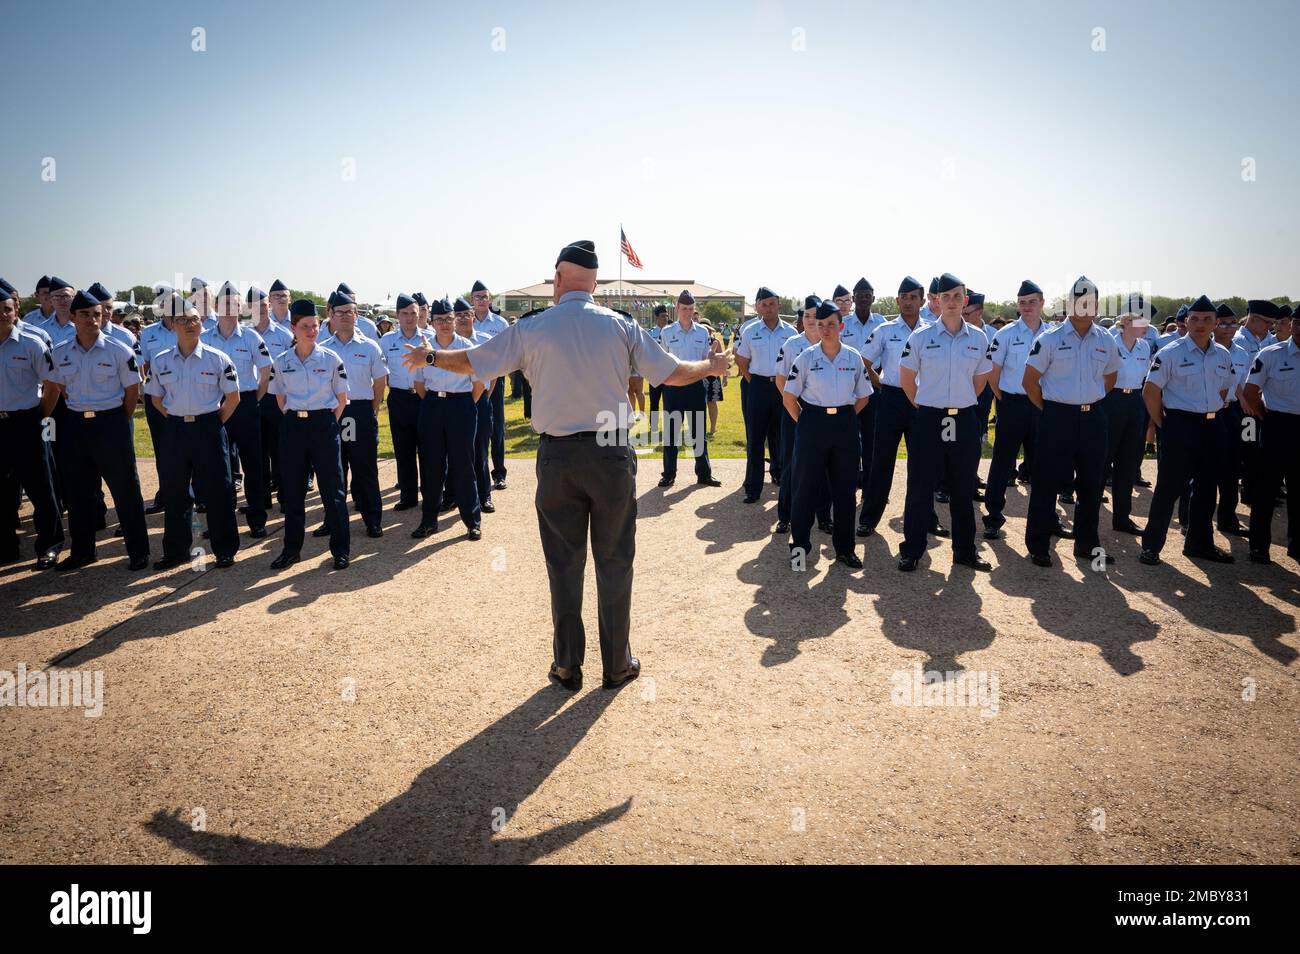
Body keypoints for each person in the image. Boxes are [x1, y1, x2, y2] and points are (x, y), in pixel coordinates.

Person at [400, 240, 731, 692]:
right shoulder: (621, 326)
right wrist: (709, 366)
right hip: (612, 454)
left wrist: (429, 357)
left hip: (557, 456)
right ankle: (616, 664)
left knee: (563, 564)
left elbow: (475, 363)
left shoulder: (534, 327)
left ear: (557, 279)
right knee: (614, 562)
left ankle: (567, 664)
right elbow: (671, 374)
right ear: (594, 283)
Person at [42, 290, 150, 571]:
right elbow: (60, 387)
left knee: (126, 491)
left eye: (97, 315)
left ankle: (138, 551)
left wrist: (116, 419)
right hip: (76, 425)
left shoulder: (119, 350)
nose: (92, 320)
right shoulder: (60, 352)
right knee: (78, 494)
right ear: (74, 318)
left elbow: (132, 392)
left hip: (111, 424)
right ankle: (83, 552)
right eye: (86, 315)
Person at [896, 273, 993, 572]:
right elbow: (907, 379)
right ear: (937, 300)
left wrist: (957, 403)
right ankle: (912, 549)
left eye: (957, 296)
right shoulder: (921, 337)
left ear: (965, 300)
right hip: (928, 418)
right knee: (920, 487)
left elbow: (980, 381)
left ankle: (964, 551)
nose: (951, 302)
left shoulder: (979, 338)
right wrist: (926, 404)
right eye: (946, 297)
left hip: (963, 419)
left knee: (963, 489)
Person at [1022, 276, 1121, 568]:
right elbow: (1029, 381)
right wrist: (1052, 409)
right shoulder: (1050, 338)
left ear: (1096, 306)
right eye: (1078, 301)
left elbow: (1111, 376)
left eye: (1090, 302)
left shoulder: (1106, 340)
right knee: (1046, 484)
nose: (1084, 307)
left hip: (1093, 419)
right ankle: (1039, 545)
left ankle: (1087, 544)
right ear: (1068, 304)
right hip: (1057, 418)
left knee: (1092, 484)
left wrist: (1088, 401)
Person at [1137, 296, 1235, 565]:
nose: (1200, 324)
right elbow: (1150, 391)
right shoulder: (1170, 352)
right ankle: (1151, 546)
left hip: (1213, 425)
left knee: (1206, 489)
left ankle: (1199, 544)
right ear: (1186, 321)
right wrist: (1163, 424)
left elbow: (1225, 388)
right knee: (1168, 488)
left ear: (1215, 323)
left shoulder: (1223, 355)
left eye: (1206, 319)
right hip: (1180, 426)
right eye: (1195, 318)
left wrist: (1209, 411)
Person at [146, 296, 242, 570]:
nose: (189, 324)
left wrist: (211, 423)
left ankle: (225, 550)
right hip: (175, 429)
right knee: (175, 493)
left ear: (202, 324)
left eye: (194, 320)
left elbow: (233, 398)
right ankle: (175, 551)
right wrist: (178, 419)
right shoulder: (162, 360)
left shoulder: (217, 358)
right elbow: (155, 399)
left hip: (208, 428)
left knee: (219, 492)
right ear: (173, 325)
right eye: (183, 320)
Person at [782, 300, 872, 569]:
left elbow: (864, 397)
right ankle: (799, 551)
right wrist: (806, 424)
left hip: (844, 424)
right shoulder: (806, 358)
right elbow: (789, 398)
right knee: (804, 490)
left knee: (845, 492)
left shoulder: (853, 357)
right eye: (820, 325)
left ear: (841, 326)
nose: (825, 329)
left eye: (831, 324)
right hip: (812, 423)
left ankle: (845, 550)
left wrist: (843, 420)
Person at [858, 276, 945, 539]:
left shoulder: (932, 330)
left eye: (913, 298)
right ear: (897, 300)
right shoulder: (885, 330)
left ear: (922, 300)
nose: (908, 302)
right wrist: (879, 384)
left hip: (922, 402)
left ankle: (927, 518)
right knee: (881, 462)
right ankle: (868, 519)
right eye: (903, 298)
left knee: (922, 464)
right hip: (891, 400)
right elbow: (863, 360)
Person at [267, 299, 351, 571]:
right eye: (305, 327)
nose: (312, 331)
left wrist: (324, 422)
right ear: (293, 328)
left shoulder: (330, 358)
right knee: (292, 493)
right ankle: (291, 551)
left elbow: (341, 398)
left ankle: (340, 550)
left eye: (315, 326)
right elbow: (280, 398)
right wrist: (298, 419)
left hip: (323, 426)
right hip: (293, 428)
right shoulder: (281, 361)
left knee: (333, 492)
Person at [0, 286, 64, 568]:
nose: (3, 315)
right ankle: (6, 547)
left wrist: (39, 415)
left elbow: (52, 385)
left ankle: (49, 545)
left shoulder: (32, 343)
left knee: (41, 487)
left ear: (16, 312)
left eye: (7, 309)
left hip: (27, 421)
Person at [201, 282, 272, 537]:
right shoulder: (204, 337)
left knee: (253, 465)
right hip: (215, 406)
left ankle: (257, 520)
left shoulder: (252, 337)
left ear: (241, 307)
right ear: (215, 307)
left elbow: (266, 373)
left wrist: (252, 400)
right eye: (225, 304)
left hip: (246, 405)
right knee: (218, 467)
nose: (230, 308)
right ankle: (221, 521)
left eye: (234, 303)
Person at [982, 279, 1050, 538]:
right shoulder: (1006, 334)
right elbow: (992, 373)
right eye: (1022, 303)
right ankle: (993, 517)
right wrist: (1005, 400)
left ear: (1042, 303)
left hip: (1042, 406)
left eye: (1032, 302)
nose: (1027, 307)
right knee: (1001, 462)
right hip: (1012, 404)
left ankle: (1047, 518)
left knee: (1044, 465)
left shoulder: (1053, 334)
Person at [411, 297, 482, 540]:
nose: (444, 324)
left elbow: (479, 383)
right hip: (432, 404)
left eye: (448, 319)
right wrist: (435, 403)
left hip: (461, 404)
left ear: (455, 320)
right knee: (431, 466)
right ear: (431, 321)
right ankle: (429, 521)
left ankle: (472, 521)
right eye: (439, 319)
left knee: (463, 464)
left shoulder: (467, 347)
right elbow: (419, 384)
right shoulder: (423, 348)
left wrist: (460, 403)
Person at [320, 290, 387, 539]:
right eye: (340, 313)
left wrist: (373, 409)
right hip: (332, 414)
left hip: (360, 411)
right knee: (333, 470)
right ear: (331, 316)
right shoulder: (323, 348)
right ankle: (332, 520)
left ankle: (373, 520)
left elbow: (380, 382)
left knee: (365, 468)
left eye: (350, 312)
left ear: (357, 315)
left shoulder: (370, 347)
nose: (346, 316)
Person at [774, 297, 831, 535]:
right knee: (791, 465)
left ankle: (824, 516)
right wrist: (797, 411)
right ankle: (785, 516)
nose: (810, 320)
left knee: (825, 467)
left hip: (825, 417)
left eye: (815, 316)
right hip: (795, 413)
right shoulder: (791, 345)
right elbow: (780, 380)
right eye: (806, 316)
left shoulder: (833, 344)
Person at [735, 287, 795, 502]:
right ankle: (753, 487)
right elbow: (742, 361)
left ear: (779, 304)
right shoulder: (750, 331)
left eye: (772, 303)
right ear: (758, 307)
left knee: (782, 437)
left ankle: (781, 478)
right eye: (764, 304)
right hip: (758, 386)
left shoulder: (790, 333)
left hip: (782, 387)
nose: (768, 308)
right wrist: (755, 383)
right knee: (755, 438)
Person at [1243, 328, 1298, 564]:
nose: (1298, 327)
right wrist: (1266, 418)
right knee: (1265, 490)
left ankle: (1296, 547)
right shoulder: (1271, 354)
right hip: (1277, 424)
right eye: (1297, 322)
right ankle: (1258, 546)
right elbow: (1250, 391)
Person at [658, 290, 722, 488]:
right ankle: (668, 474)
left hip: (696, 386)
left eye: (691, 309)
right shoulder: (667, 332)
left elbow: (706, 360)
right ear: (677, 308)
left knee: (698, 432)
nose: (687, 312)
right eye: (684, 308)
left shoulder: (703, 332)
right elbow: (662, 360)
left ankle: (704, 474)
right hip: (673, 387)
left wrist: (713, 356)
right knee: (671, 432)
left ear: (695, 310)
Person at [1101, 312, 1152, 535]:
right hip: (1112, 400)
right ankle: (1089, 517)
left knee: (1128, 462)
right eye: (1142, 323)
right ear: (1127, 324)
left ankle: (1122, 518)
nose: (1147, 327)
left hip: (1135, 402)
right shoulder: (1110, 344)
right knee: (1103, 460)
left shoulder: (1144, 347)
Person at [381, 294, 430, 512]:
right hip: (399, 398)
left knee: (429, 449)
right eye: (405, 313)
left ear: (419, 314)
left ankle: (430, 495)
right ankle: (408, 496)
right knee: (404, 450)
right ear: (397, 315)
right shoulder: (386, 340)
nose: (409, 318)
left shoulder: (430, 338)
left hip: (424, 399)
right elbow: (380, 372)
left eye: (413, 313)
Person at [250, 284, 293, 510]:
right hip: (250, 398)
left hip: (276, 397)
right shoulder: (244, 335)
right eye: (257, 306)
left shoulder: (284, 335)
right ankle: (262, 500)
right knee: (257, 453)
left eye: (265, 305)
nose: (262, 309)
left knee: (281, 450)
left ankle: (285, 498)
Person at [1233, 300, 1279, 509]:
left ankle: (1253, 489)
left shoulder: (1259, 340)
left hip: (1256, 404)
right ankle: (1248, 491)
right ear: (1254, 319)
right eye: (1267, 322)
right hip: (1244, 407)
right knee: (1248, 450)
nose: (1271, 327)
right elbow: (1236, 379)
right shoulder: (1240, 341)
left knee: (1256, 450)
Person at [1213, 307, 1252, 537]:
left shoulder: (1242, 354)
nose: (1229, 328)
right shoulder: (1208, 350)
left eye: (1233, 323)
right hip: (1208, 413)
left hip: (1230, 412)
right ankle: (1190, 522)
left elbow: (1237, 381)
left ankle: (1227, 518)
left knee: (1231, 469)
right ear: (1215, 325)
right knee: (1201, 471)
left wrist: (1243, 400)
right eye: (1224, 324)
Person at [454, 296, 495, 513]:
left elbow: (494, 374)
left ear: (473, 316)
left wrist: (481, 396)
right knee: (455, 451)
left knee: (480, 450)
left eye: (466, 314)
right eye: (458, 315)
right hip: (455, 402)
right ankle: (452, 495)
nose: (462, 319)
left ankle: (484, 495)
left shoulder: (485, 340)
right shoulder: (447, 343)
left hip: (479, 402)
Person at [470, 280, 510, 490]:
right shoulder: (468, 322)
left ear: (489, 299)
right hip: (472, 382)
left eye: (485, 297)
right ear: (472, 300)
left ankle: (499, 473)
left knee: (497, 427)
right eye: (478, 297)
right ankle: (478, 471)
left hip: (495, 379)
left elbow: (506, 353)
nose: (482, 300)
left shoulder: (500, 324)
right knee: (476, 427)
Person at [647, 304, 670, 437]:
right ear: (656, 317)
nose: (665, 318)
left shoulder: (672, 331)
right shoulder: (650, 333)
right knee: (654, 401)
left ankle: (668, 428)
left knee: (668, 402)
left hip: (669, 373)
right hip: (655, 374)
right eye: (663, 316)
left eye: (667, 316)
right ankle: (653, 427)